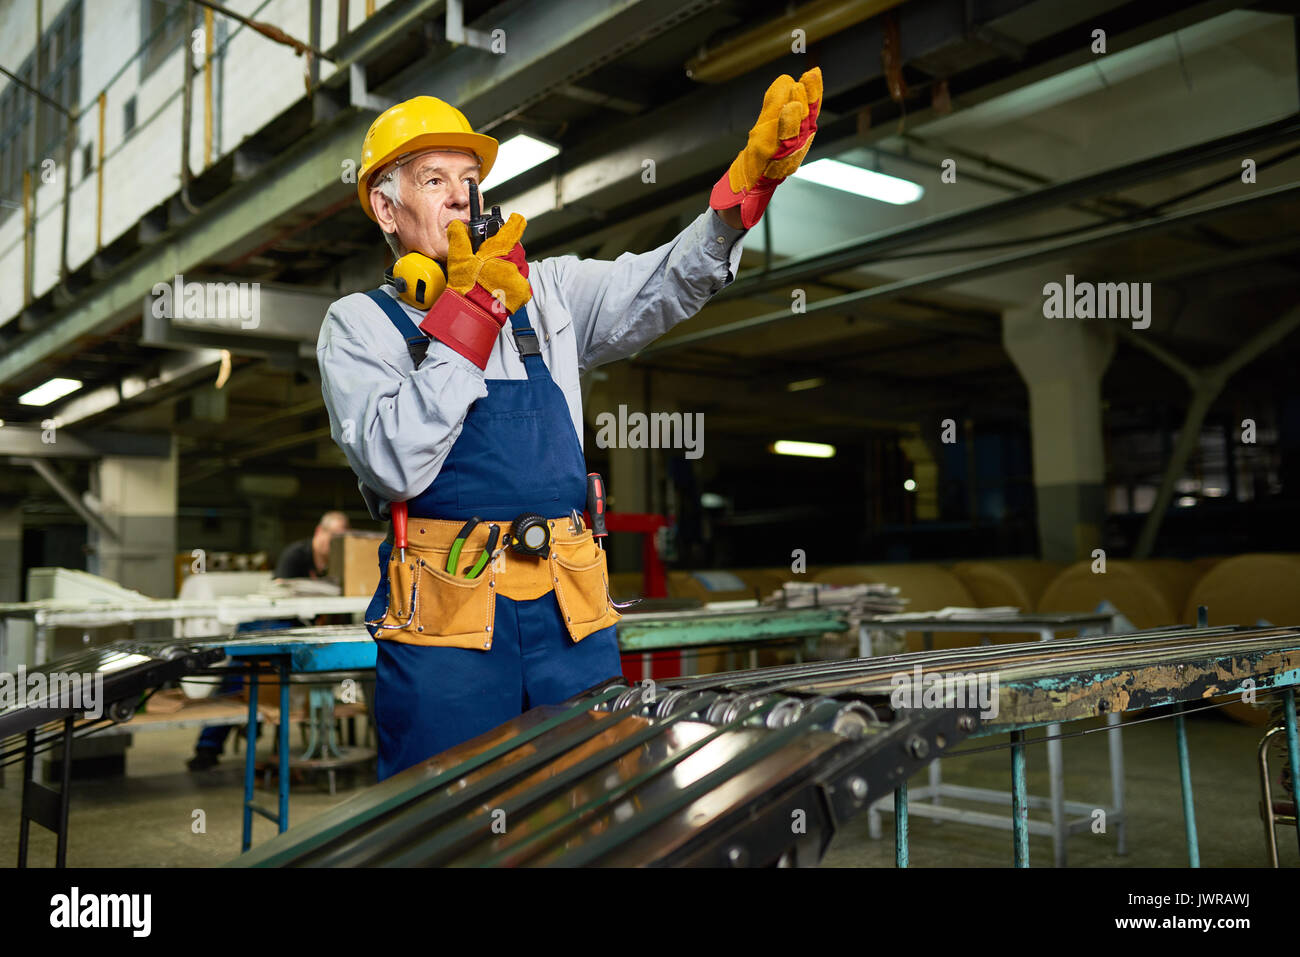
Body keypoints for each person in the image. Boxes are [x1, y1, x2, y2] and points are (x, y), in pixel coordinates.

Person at [317, 70, 822, 780]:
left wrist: (740, 197)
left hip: (570, 608)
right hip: (448, 621)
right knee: (444, 817)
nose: (462, 192)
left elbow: (659, 283)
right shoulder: (358, 326)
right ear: (385, 207)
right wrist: (467, 317)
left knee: (592, 802)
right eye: (433, 179)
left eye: (468, 177)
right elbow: (395, 463)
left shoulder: (545, 293)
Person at [186, 511, 350, 771]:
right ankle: (208, 747)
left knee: (276, 679)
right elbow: (280, 598)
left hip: (304, 632)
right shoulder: (296, 554)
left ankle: (256, 725)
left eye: (341, 540)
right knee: (239, 674)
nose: (335, 544)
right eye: (333, 537)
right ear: (320, 532)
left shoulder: (339, 562)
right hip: (268, 625)